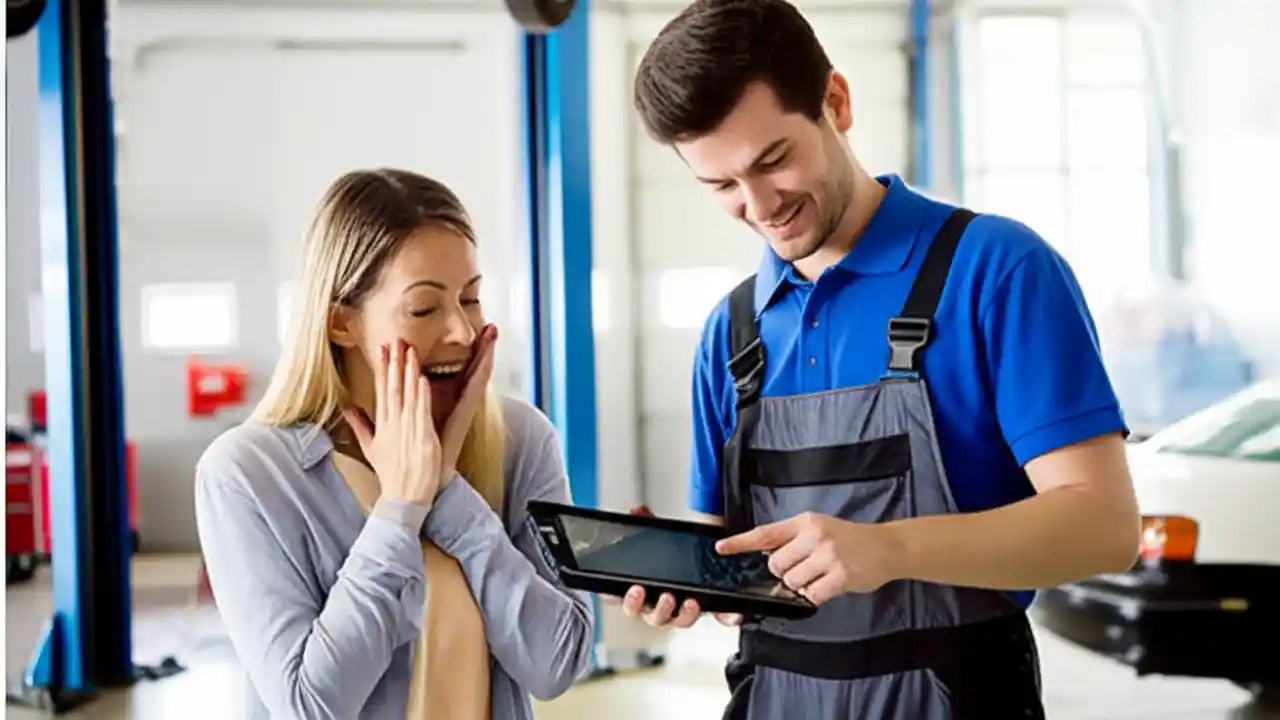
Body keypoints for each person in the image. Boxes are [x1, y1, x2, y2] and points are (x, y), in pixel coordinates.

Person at [620, 0, 1142, 718]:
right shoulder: (731, 332)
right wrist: (686, 581)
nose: (759, 205)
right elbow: (731, 555)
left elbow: (1103, 528)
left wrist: (888, 550)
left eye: (773, 161)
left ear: (836, 102)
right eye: (721, 186)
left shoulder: (996, 270)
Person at [194, 169, 595, 720]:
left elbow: (558, 663)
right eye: (425, 309)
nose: (460, 331)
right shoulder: (248, 475)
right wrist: (401, 509)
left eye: (471, 299)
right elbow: (311, 705)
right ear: (340, 323)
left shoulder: (521, 440)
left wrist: (449, 494)